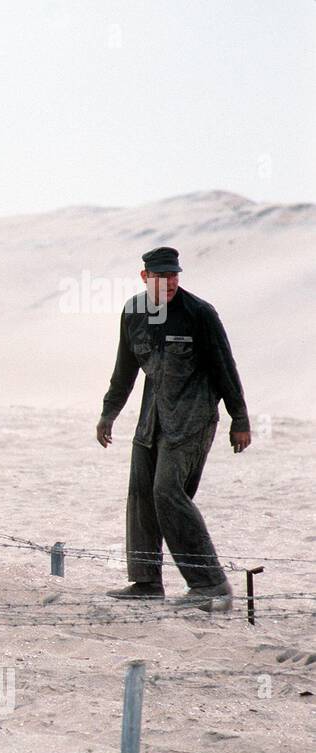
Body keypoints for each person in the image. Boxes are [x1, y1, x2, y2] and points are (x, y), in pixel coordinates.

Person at [97, 247, 250, 611]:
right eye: (162, 277)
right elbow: (125, 369)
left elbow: (224, 367)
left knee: (167, 492)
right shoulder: (133, 312)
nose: (169, 283)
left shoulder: (200, 313)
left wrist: (239, 419)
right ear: (145, 277)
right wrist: (108, 413)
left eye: (174, 276)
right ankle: (146, 582)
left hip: (192, 420)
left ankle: (210, 583)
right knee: (140, 496)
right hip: (151, 419)